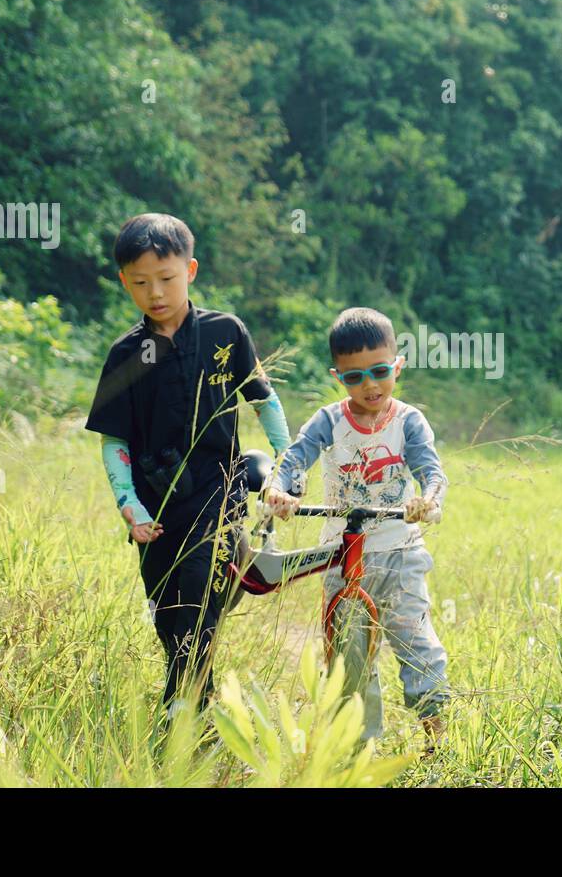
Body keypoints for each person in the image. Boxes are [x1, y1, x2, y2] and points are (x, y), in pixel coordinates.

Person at [84, 213, 290, 723]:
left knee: (197, 602)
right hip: (156, 508)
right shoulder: (128, 354)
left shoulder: (227, 332)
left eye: (167, 278)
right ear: (123, 281)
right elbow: (115, 441)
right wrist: (128, 504)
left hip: (218, 494)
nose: (155, 292)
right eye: (141, 283)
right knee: (170, 615)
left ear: (191, 269)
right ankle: (194, 699)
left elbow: (265, 401)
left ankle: (185, 717)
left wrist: (288, 466)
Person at [264, 306, 450, 751]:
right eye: (354, 377)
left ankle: (436, 742)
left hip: (399, 554)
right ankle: (359, 754)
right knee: (349, 661)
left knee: (417, 646)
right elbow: (293, 459)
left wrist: (428, 501)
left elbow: (432, 472)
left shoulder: (408, 421)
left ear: (396, 366)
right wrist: (280, 490)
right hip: (343, 558)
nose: (370, 385)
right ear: (338, 376)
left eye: (380, 372)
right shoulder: (330, 420)